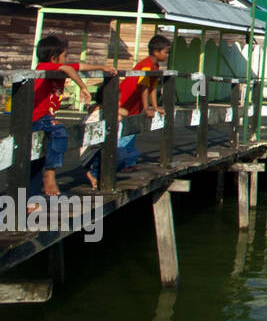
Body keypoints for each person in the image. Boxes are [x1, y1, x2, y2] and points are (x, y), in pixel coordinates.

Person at [29, 36, 116, 212]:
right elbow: (69, 68)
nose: (67, 59)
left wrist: (102, 67)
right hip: (38, 117)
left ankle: (31, 202)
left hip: (44, 117)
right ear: (54, 58)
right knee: (59, 131)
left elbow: (79, 66)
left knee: (37, 159)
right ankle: (50, 173)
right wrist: (83, 86)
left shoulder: (58, 67)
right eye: (65, 55)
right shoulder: (44, 67)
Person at [84, 34, 171, 189]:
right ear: (156, 52)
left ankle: (126, 163)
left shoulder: (155, 67)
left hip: (134, 106)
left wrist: (155, 106)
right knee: (121, 136)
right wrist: (146, 108)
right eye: (165, 52)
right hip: (126, 103)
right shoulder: (146, 65)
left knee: (130, 134)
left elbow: (152, 88)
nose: (167, 55)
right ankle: (103, 167)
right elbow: (143, 88)